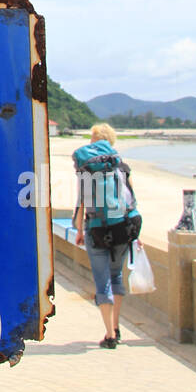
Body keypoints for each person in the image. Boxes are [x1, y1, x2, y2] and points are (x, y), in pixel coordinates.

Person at [73, 123, 140, 349]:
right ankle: (117, 326)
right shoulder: (121, 165)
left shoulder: (87, 167)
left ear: (93, 139)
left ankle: (109, 334)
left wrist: (80, 230)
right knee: (117, 277)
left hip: (96, 229)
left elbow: (82, 201)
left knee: (102, 283)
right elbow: (130, 199)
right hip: (121, 228)